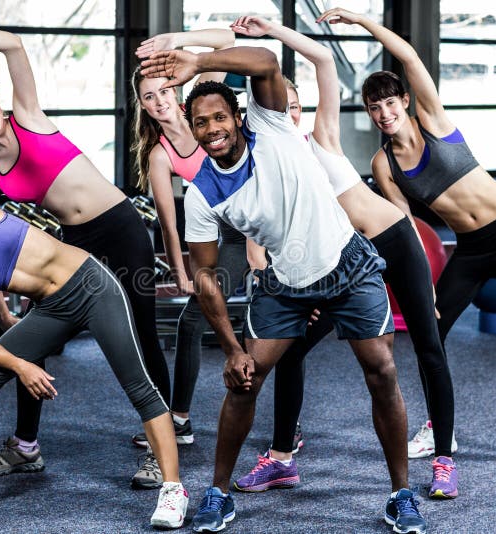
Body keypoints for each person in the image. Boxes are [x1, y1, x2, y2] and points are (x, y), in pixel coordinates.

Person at [0, 70, 187, 528]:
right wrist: (23, 364)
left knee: (137, 385)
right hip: (56, 307)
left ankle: (173, 491)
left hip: (92, 285)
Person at [140, 45, 426, 534]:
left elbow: (267, 62)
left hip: (347, 266)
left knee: (381, 371)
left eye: (220, 117)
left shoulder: (270, 126)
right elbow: (205, 277)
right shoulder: (205, 192)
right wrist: (231, 349)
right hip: (284, 283)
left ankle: (401, 493)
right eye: (202, 122)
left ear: (237, 114)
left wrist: (198, 62)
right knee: (245, 379)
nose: (213, 129)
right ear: (191, 124)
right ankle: (218, 493)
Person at [318, 7, 496, 470]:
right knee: (431, 334)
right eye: (375, 108)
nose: (383, 113)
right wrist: (423, 282)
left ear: (406, 102)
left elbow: (409, 56)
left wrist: (361, 21)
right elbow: (405, 225)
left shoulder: (433, 120)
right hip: (470, 249)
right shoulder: (382, 165)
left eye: (390, 103)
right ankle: (441, 429)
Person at [229, 15, 458, 500]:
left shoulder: (321, 137)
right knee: (288, 350)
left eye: (295, 107)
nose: (289, 115)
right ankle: (282, 458)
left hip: (393, 240)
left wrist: (270, 28)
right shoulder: (268, 165)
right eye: (281, 108)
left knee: (428, 346)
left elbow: (324, 58)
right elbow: (265, 237)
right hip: (341, 265)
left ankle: (442, 459)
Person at [128, 28, 250, 487]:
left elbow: (224, 42)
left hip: (254, 231)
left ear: (176, 89)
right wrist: (180, 273)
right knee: (190, 322)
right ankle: (179, 418)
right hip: (214, 241)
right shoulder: (161, 156)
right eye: (149, 98)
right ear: (143, 107)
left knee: (270, 319)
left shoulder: (205, 107)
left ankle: (283, 425)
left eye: (163, 91)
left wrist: (177, 41)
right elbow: (168, 223)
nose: (159, 102)